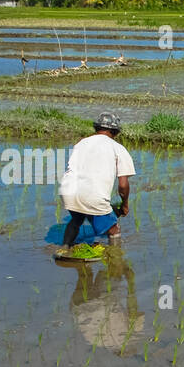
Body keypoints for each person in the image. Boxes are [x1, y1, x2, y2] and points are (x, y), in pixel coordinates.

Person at [56, 111, 135, 259]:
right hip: (92, 195)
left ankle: (64, 247)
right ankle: (115, 260)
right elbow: (123, 185)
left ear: (97, 128)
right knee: (113, 229)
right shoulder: (117, 148)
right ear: (115, 132)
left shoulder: (81, 143)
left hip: (67, 191)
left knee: (77, 219)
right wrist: (124, 205)